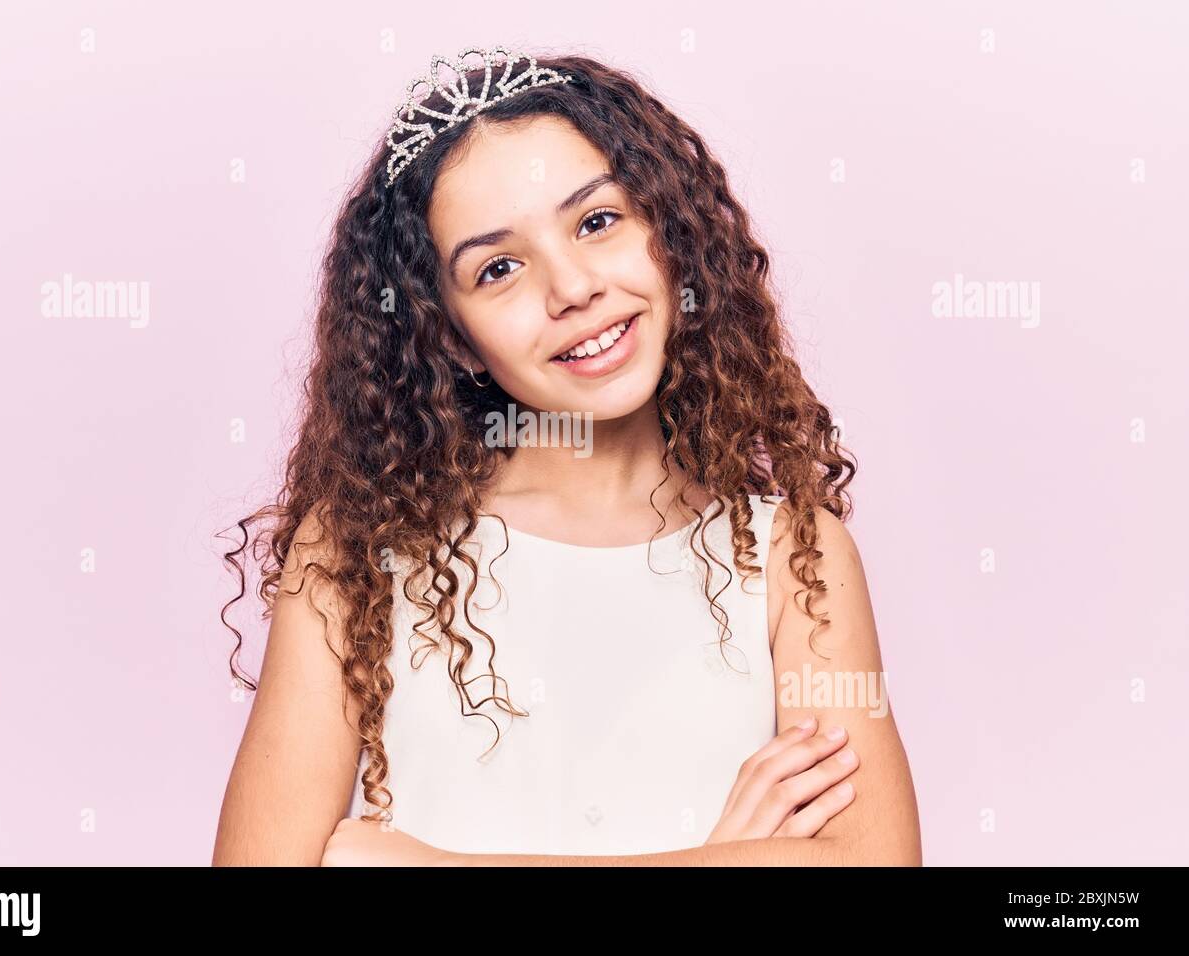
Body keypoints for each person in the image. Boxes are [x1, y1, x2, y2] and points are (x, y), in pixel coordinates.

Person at [212, 48, 921, 866]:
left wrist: (413, 863)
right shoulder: (356, 555)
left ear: (671, 234)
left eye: (596, 221)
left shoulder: (795, 554)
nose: (572, 288)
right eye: (499, 268)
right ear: (454, 338)